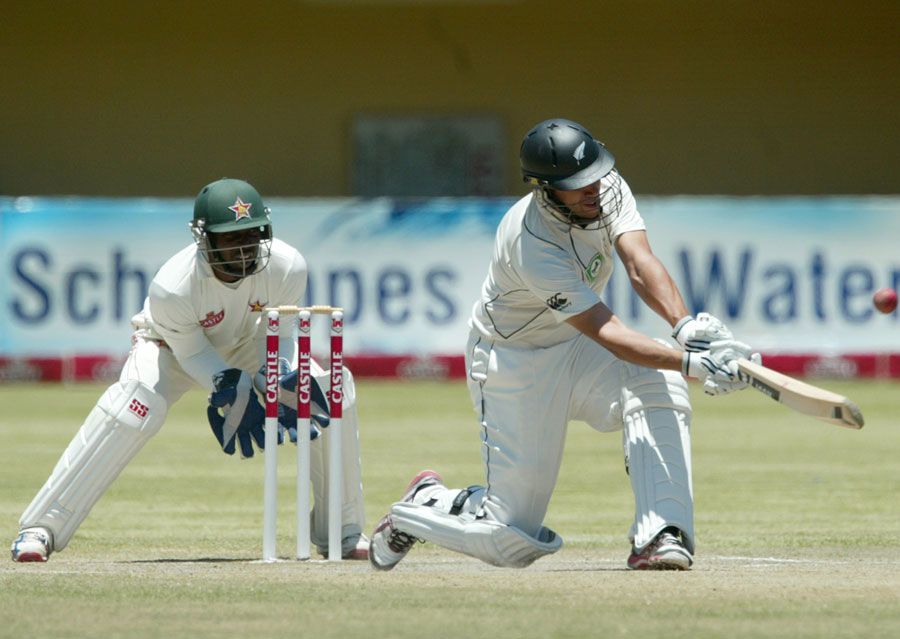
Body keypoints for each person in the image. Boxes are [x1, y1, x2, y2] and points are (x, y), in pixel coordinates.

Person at [368, 118, 759, 571]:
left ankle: (660, 533)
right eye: (576, 185)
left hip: (573, 346)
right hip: (513, 362)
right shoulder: (530, 241)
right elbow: (608, 331)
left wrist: (685, 327)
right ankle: (421, 507)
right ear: (546, 189)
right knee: (510, 541)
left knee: (659, 381)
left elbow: (639, 262)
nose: (591, 189)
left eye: (594, 174)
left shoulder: (606, 186)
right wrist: (695, 363)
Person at [11, 178, 367, 562]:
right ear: (205, 239)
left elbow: (279, 333)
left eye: (251, 234)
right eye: (231, 238)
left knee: (330, 389)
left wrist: (277, 375)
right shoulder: (173, 287)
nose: (244, 248)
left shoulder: (288, 265)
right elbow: (194, 355)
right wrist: (232, 389)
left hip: (248, 343)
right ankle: (41, 527)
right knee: (133, 406)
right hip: (168, 347)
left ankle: (342, 530)